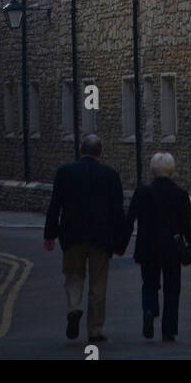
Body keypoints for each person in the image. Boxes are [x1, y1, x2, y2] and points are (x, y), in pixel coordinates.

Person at [44, 134, 125, 342]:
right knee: (98, 285)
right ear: (101, 152)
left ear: (81, 150)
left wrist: (50, 235)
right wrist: (120, 242)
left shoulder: (65, 173)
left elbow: (55, 206)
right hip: (101, 237)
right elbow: (117, 212)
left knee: (73, 276)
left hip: (72, 236)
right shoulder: (111, 175)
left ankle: (74, 308)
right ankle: (95, 330)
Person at [120, 152, 191, 343]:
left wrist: (121, 244)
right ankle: (168, 330)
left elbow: (130, 220)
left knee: (149, 284)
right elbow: (188, 225)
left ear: (152, 169)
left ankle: (149, 309)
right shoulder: (180, 194)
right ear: (172, 170)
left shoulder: (142, 192)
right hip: (172, 247)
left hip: (148, 246)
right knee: (172, 289)